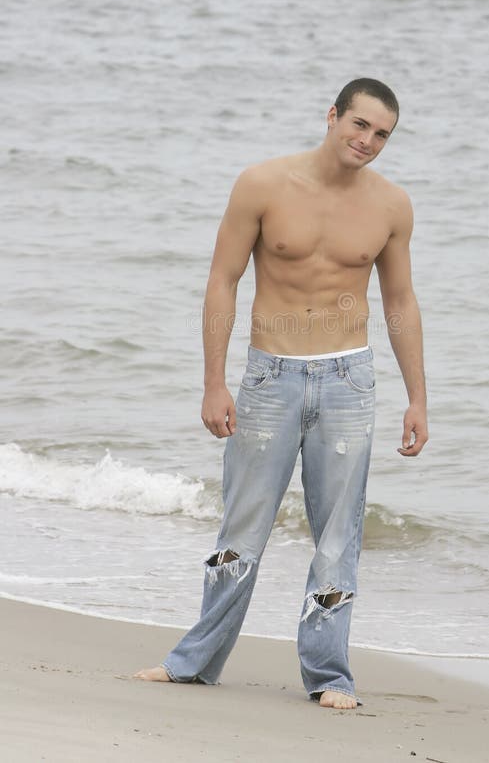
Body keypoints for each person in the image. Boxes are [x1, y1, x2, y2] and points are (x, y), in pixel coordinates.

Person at [134, 77, 428, 709]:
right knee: (242, 527)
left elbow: (401, 302)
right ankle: (196, 661)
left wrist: (417, 398)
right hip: (270, 377)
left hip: (349, 380)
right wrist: (214, 382)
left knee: (337, 535)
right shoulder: (262, 184)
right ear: (332, 116)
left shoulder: (392, 206)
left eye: (382, 134)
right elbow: (224, 278)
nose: (368, 141)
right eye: (360, 125)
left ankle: (328, 676)